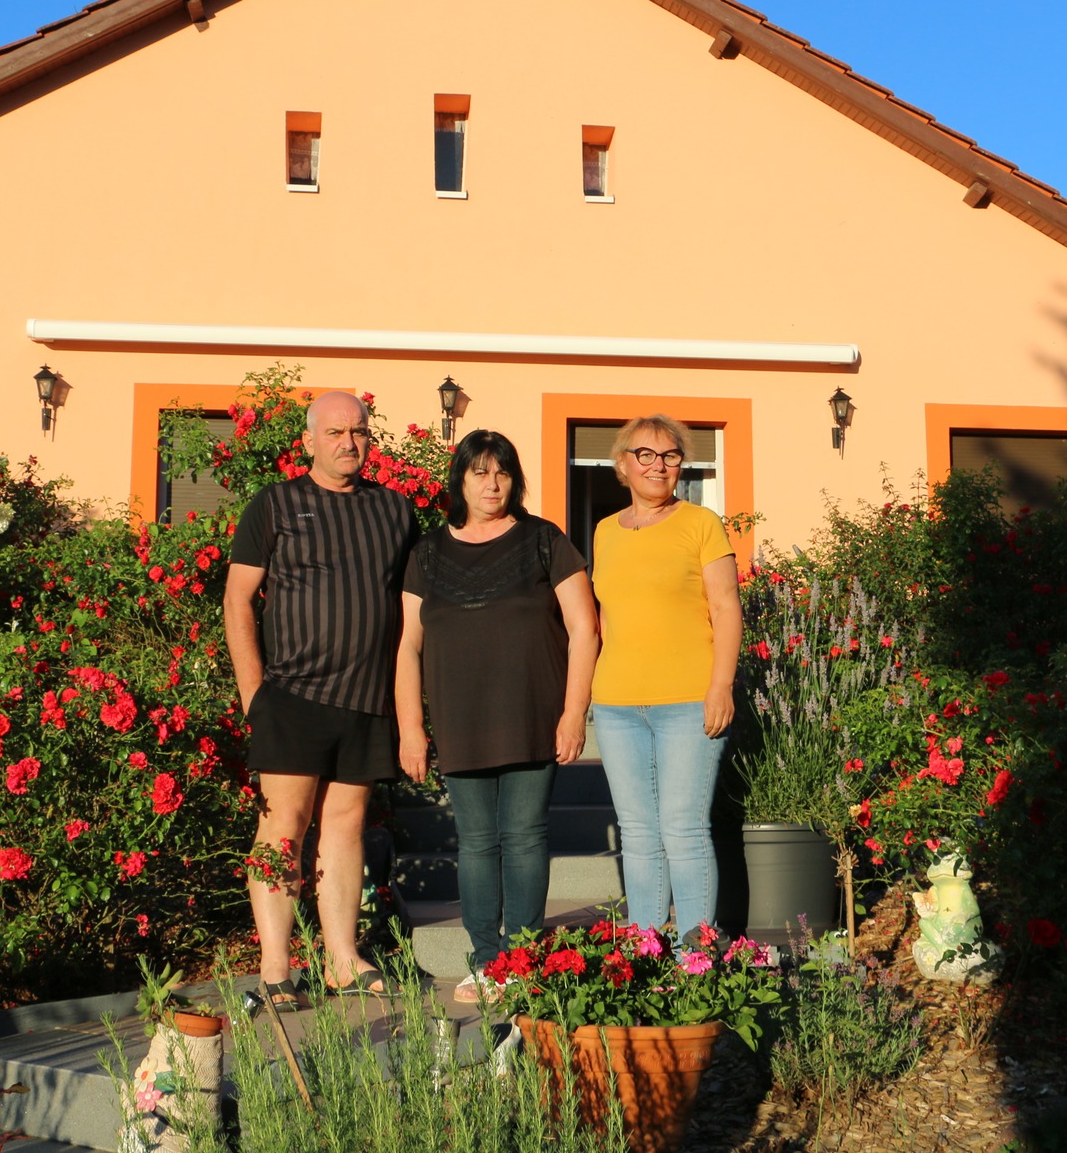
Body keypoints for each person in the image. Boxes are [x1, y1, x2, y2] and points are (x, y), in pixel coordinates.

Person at [224, 389, 418, 1001]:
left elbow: (411, 610)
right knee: (283, 828)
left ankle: (341, 958)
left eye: (358, 431)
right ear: (309, 440)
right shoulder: (275, 504)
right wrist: (255, 692)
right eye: (335, 432)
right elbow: (237, 601)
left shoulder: (395, 510)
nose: (348, 443)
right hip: (292, 696)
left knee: (344, 825)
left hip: (366, 698)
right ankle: (277, 970)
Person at [394, 430, 598, 1003]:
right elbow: (408, 646)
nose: (492, 483)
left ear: (516, 479)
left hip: (534, 714)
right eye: (480, 472)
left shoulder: (543, 541)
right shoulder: (427, 554)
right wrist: (412, 727)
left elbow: (585, 626)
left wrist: (574, 711)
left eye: (503, 472)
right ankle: (488, 961)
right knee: (478, 841)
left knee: (526, 836)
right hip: (461, 720)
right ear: (460, 479)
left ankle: (526, 956)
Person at [588, 414, 741, 937]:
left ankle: (694, 962)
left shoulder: (700, 523)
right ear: (623, 465)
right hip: (615, 706)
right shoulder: (605, 531)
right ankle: (647, 957)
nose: (658, 465)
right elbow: (605, 618)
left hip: (687, 702)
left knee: (684, 831)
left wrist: (720, 685)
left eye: (670, 456)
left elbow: (726, 607)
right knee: (637, 834)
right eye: (646, 455)